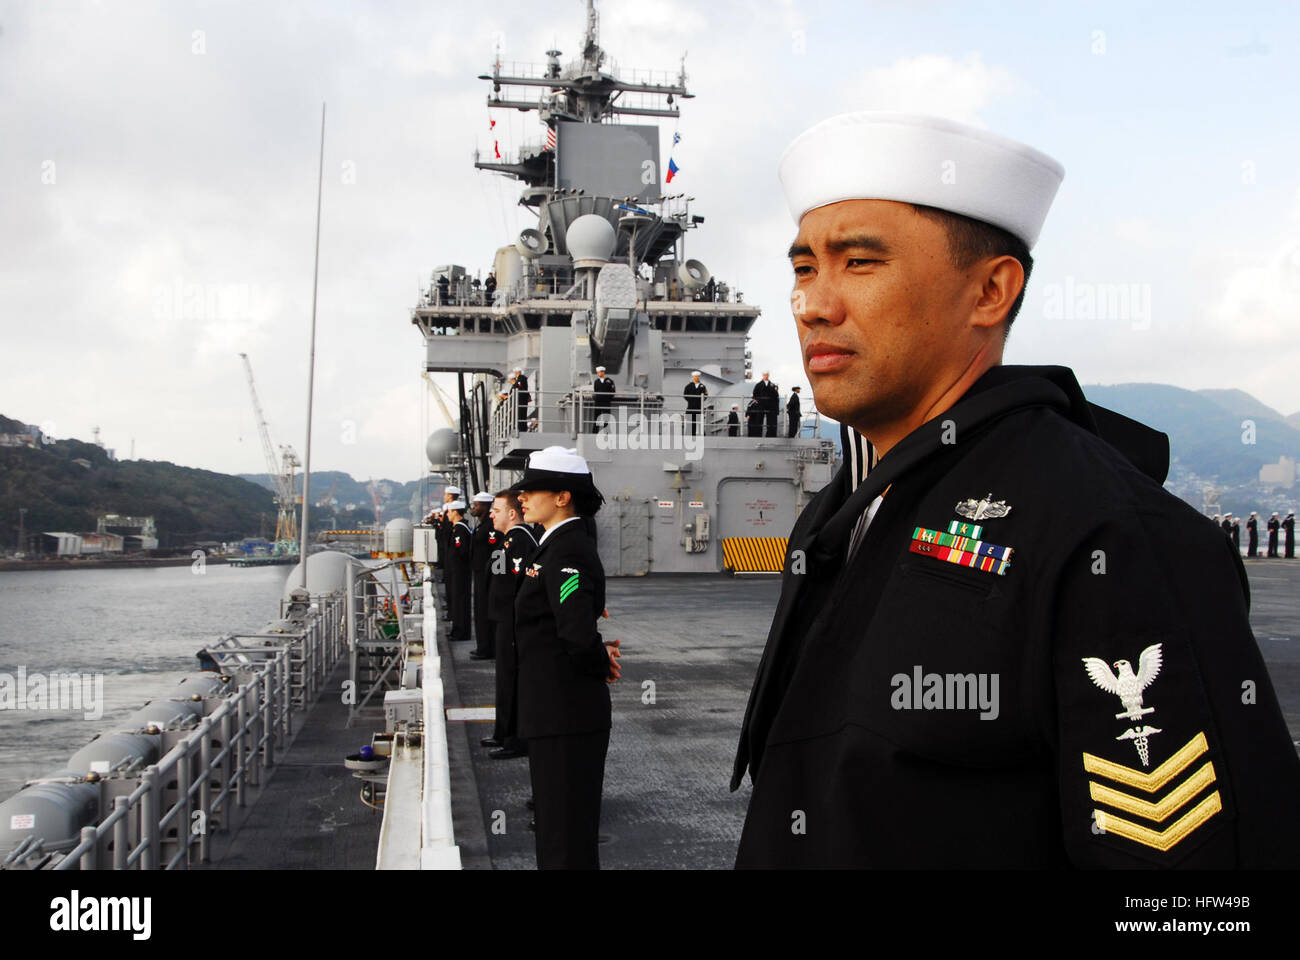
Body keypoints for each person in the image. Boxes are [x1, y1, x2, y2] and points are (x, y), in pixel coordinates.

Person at [731, 110, 1300, 868]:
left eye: (859, 263)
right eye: (805, 269)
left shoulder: (1111, 535)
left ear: (991, 292)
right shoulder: (838, 516)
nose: (813, 304)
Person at [510, 446, 622, 869]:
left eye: (532, 489)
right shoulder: (555, 546)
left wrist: (598, 661)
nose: (522, 497)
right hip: (554, 712)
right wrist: (598, 653)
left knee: (566, 840)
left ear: (562, 497)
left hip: (566, 714)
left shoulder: (568, 550)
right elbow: (567, 625)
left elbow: (575, 634)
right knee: (559, 834)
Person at [481, 489, 538, 759]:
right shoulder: (507, 541)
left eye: (497, 510)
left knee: (512, 680)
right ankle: (503, 733)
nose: (491, 514)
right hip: (503, 620)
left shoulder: (520, 541)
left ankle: (516, 739)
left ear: (512, 513)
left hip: (513, 623)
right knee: (504, 679)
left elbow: (521, 587)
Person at [469, 492, 498, 660]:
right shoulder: (481, 525)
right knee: (480, 612)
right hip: (479, 574)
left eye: (477, 504)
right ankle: (482, 646)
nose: (474, 507)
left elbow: (496, 552)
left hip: (488, 575)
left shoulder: (490, 527)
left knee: (485, 612)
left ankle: (487, 648)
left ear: (486, 506)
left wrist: (496, 574)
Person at [444, 500, 473, 643]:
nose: (447, 515)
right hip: (455, 571)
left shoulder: (461, 530)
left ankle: (460, 631)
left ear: (455, 512)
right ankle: (457, 629)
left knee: (460, 602)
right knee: (456, 601)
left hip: (460, 572)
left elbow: (462, 552)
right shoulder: (457, 529)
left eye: (449, 512)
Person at [753, 371, 779, 437]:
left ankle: (770, 435)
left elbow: (776, 395)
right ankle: (758, 435)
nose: (766, 376)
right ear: (762, 375)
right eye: (764, 375)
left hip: (770, 405)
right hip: (761, 405)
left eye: (767, 375)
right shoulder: (758, 385)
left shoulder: (773, 385)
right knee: (759, 420)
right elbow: (754, 395)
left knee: (771, 421)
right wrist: (758, 401)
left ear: (768, 375)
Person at [683, 370, 708, 436]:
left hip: (699, 407)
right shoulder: (688, 386)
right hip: (690, 407)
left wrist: (700, 400)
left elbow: (706, 395)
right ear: (693, 377)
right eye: (695, 376)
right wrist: (691, 400)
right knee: (690, 421)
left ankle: (702, 435)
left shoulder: (702, 386)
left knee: (700, 422)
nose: (697, 378)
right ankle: (689, 435)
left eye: (698, 376)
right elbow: (685, 395)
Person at [592, 365, 615, 432]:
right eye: (597, 372)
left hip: (606, 402)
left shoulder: (610, 381)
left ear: (603, 372)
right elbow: (596, 390)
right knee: (596, 418)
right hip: (598, 402)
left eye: (599, 372)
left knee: (606, 418)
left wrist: (608, 398)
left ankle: (606, 432)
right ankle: (595, 432)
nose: (598, 374)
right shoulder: (596, 381)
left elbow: (613, 392)